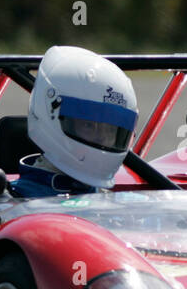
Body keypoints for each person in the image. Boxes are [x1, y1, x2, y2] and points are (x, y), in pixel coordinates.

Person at [11, 45, 139, 198]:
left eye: (111, 130)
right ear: (51, 113)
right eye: (89, 125)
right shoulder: (10, 202)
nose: (102, 137)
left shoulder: (126, 204)